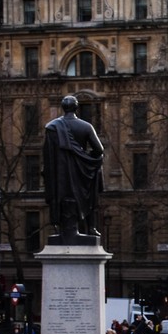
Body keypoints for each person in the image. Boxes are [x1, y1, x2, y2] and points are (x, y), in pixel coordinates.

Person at [42, 94, 105, 241]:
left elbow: (48, 154)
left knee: (65, 198)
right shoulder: (86, 126)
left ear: (62, 108)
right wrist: (86, 157)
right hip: (81, 172)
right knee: (88, 195)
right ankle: (91, 228)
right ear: (77, 107)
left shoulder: (52, 127)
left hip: (61, 173)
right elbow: (99, 150)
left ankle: (63, 229)